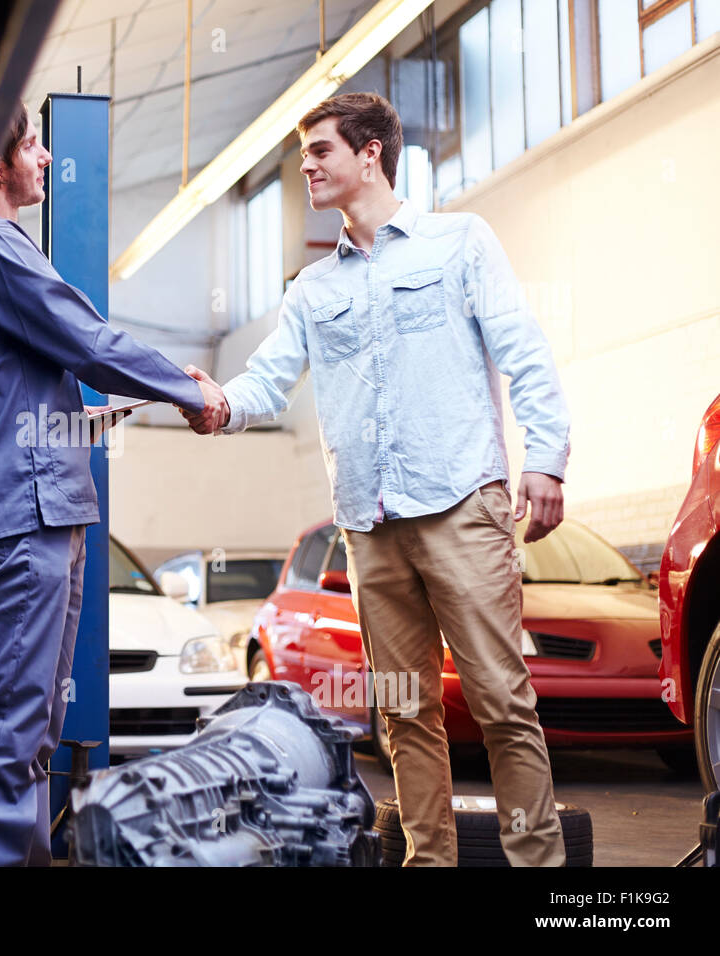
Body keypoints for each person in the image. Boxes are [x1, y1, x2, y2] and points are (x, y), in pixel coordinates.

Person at [183, 92, 570, 867]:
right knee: (402, 711)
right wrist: (217, 404)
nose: (307, 166)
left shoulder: (459, 243)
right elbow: (266, 381)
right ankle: (429, 862)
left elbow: (522, 349)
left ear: (370, 154)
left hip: (463, 503)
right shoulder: (312, 290)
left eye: (320, 150)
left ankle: (541, 870)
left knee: (500, 699)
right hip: (369, 524)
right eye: (303, 154)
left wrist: (546, 458)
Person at [0, 104, 222, 866]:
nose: (49, 157)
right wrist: (186, 391)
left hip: (39, 504)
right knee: (6, 728)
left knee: (32, 727)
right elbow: (87, 340)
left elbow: (20, 396)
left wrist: (125, 406)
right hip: (23, 511)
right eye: (32, 143)